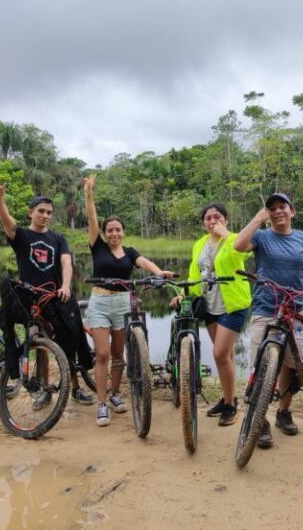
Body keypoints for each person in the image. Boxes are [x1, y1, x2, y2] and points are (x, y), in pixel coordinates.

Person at [82, 174, 175, 426]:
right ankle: (101, 404)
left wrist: (158, 273)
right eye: (110, 230)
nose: (114, 233)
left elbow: (143, 262)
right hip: (99, 303)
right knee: (101, 354)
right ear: (104, 232)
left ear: (123, 232)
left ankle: (114, 395)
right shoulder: (97, 246)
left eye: (118, 230)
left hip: (123, 303)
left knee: (118, 355)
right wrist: (89, 193)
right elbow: (91, 217)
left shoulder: (130, 252)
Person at [234, 193, 303, 448]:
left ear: (292, 211)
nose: (277, 212)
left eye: (282, 207)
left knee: (294, 366)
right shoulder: (261, 238)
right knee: (263, 365)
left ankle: (283, 412)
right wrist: (257, 218)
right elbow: (238, 246)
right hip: (266, 308)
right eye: (271, 208)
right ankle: (260, 419)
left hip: (296, 310)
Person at [0, 184, 94, 406]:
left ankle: (75, 387)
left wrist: (65, 286)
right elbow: (7, 222)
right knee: (41, 345)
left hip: (56, 297)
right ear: (31, 212)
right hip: (30, 299)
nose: (45, 216)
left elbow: (66, 261)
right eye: (41, 211)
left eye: (48, 212)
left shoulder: (58, 238)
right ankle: (46, 389)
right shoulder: (22, 236)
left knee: (70, 341)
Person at [180, 203, 251, 426]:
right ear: (204, 223)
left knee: (220, 353)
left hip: (233, 304)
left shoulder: (234, 238)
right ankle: (228, 397)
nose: (212, 221)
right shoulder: (200, 243)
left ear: (226, 220)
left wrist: (226, 234)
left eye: (217, 217)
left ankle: (231, 405)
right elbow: (196, 272)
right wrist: (184, 294)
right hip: (209, 305)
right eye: (208, 218)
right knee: (226, 355)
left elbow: (246, 251)